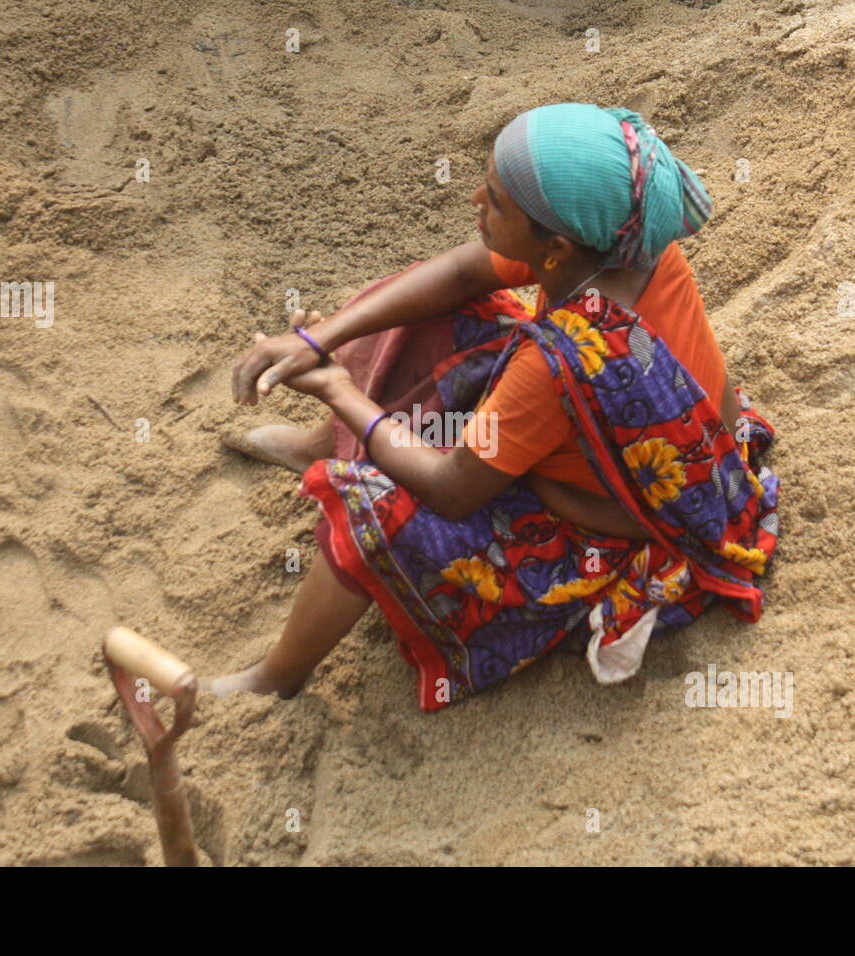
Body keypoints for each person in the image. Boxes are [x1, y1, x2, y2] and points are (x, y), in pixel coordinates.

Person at [218, 102, 779, 710]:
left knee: (381, 510)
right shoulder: (628, 243)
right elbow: (463, 272)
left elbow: (451, 489)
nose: (474, 201)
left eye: (497, 201)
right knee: (432, 305)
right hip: (652, 451)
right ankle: (320, 446)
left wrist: (338, 388)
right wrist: (322, 339)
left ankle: (277, 676)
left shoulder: (554, 364)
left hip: (612, 525)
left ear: (556, 248)